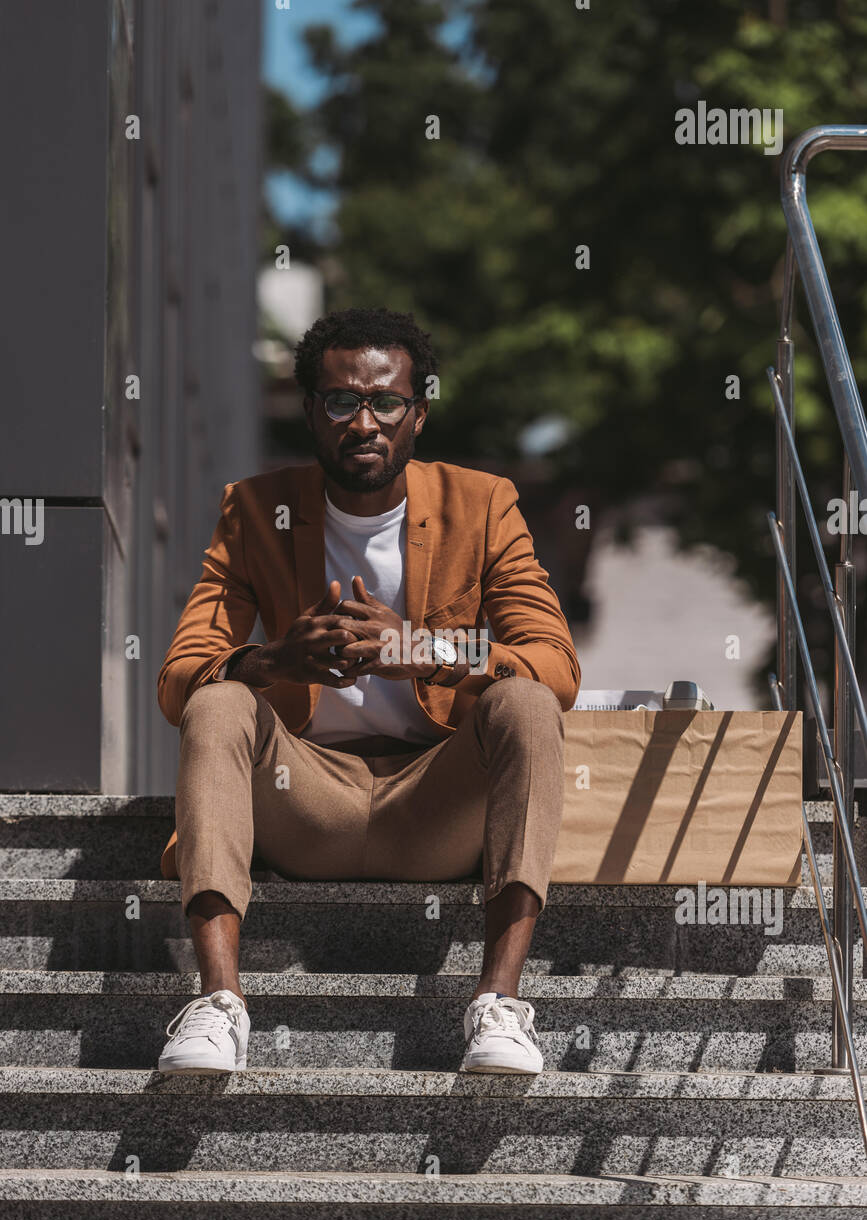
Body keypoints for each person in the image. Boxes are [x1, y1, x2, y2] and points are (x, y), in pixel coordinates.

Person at [156, 307, 580, 1076]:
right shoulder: (254, 509)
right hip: (301, 800)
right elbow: (179, 675)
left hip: (434, 804)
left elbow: (554, 667)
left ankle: (497, 1005)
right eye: (341, 401)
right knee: (218, 698)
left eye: (385, 402)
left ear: (417, 413)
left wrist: (421, 651)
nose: (364, 421)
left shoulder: (481, 504)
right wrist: (274, 660)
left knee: (522, 702)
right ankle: (219, 1005)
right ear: (313, 413)